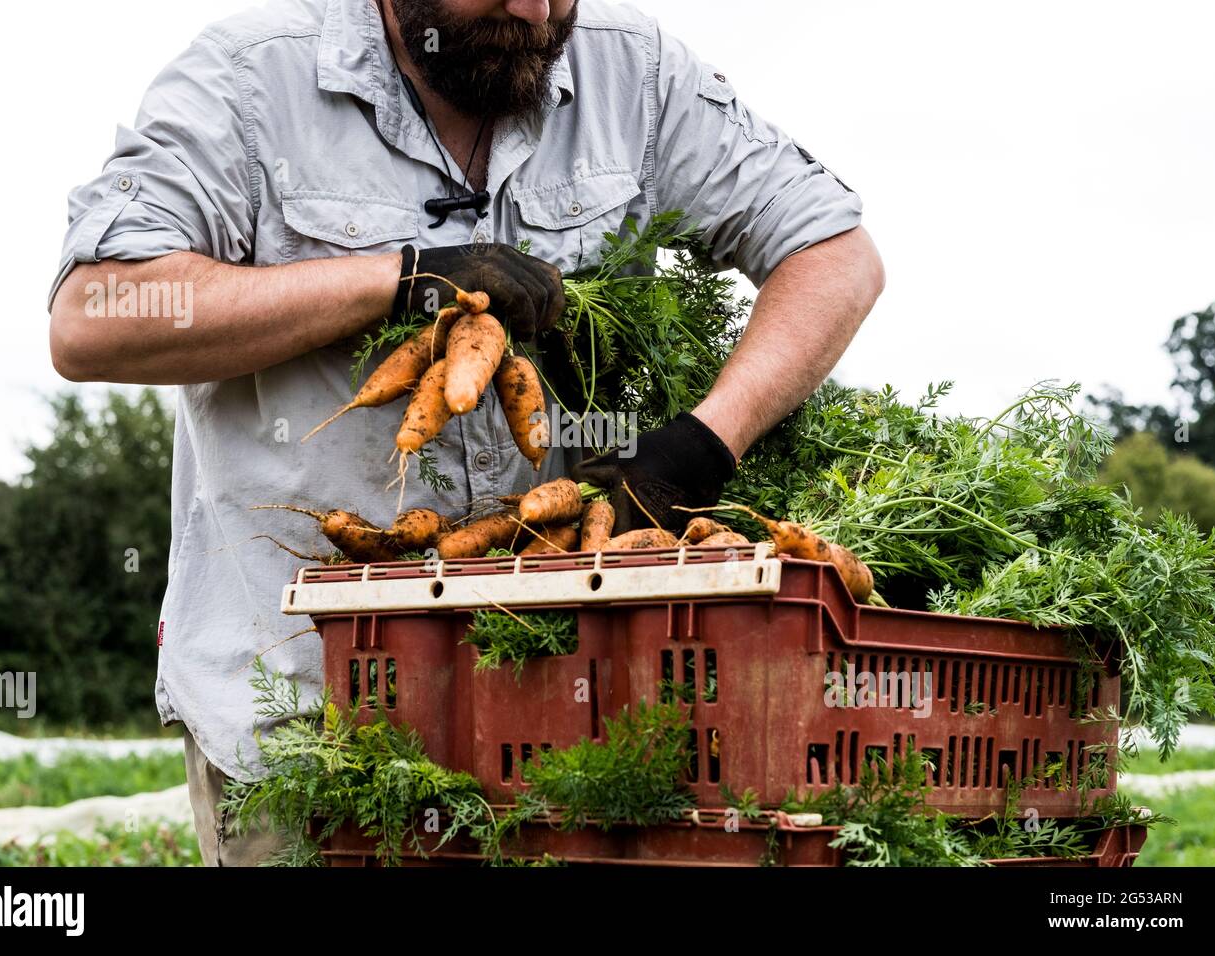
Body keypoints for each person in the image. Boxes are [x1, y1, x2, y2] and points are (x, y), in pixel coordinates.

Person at [48, 0, 884, 865]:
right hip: (308, 724)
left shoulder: (632, 73)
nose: (533, 10)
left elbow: (834, 250)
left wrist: (705, 443)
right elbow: (92, 314)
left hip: (569, 718)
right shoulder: (252, 78)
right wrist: (397, 279)